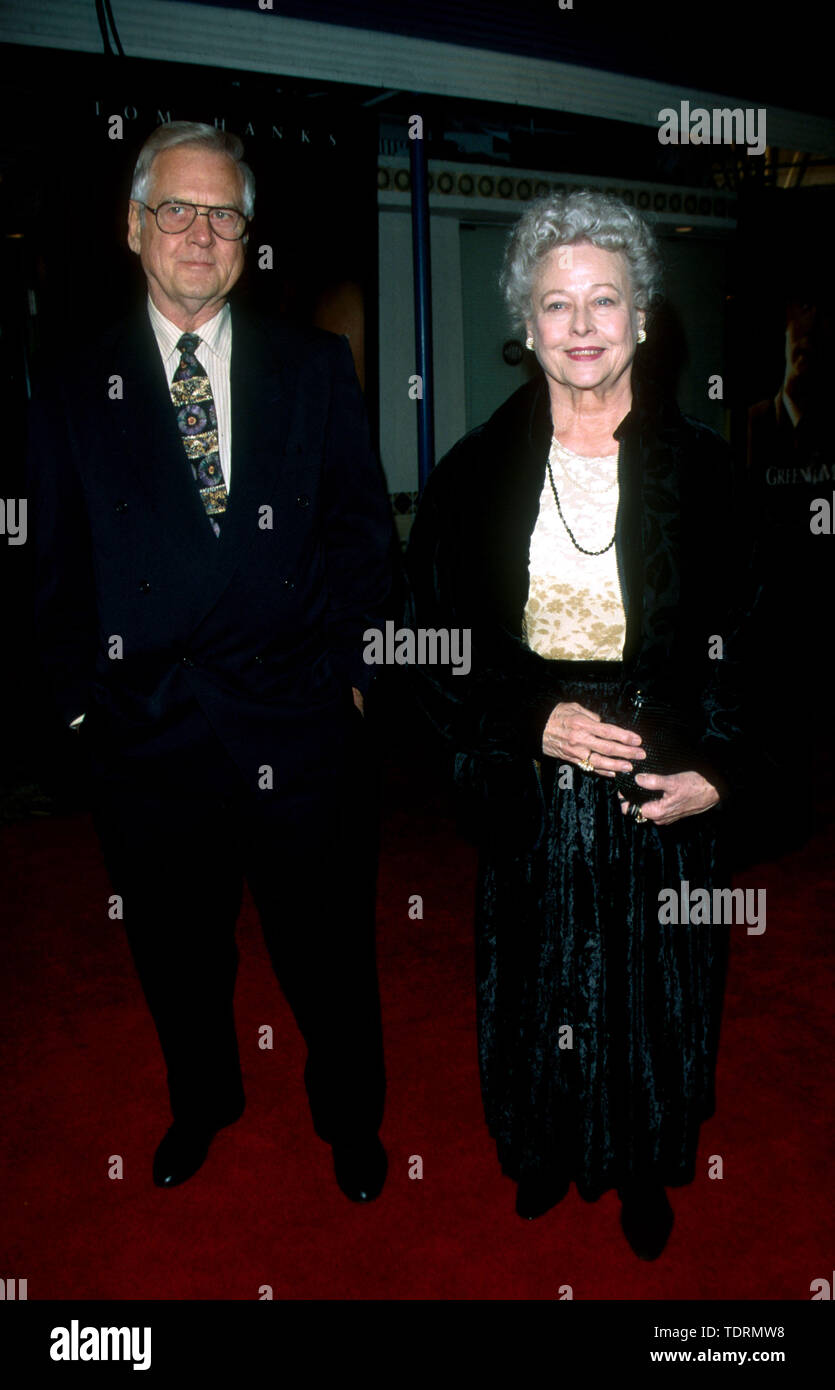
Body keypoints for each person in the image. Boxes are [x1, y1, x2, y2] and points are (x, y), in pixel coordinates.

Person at [26, 122, 395, 1199]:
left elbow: (363, 541)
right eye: (176, 209)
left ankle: (351, 1119)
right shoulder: (68, 385)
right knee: (179, 959)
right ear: (133, 226)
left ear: (247, 237)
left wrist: (357, 683)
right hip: (149, 740)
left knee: (329, 955)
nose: (200, 231)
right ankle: (206, 1100)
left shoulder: (314, 367)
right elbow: (48, 567)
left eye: (222, 213)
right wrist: (85, 718)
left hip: (300, 725)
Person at [405, 190, 755, 1259]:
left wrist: (724, 771)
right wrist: (527, 718)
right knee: (539, 980)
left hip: (664, 783)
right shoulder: (471, 474)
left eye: (606, 298)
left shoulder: (710, 474)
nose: (585, 323)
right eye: (557, 304)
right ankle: (547, 1147)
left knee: (656, 990)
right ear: (527, 326)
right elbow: (435, 639)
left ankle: (646, 1161)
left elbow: (765, 643)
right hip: (535, 785)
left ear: (645, 318)